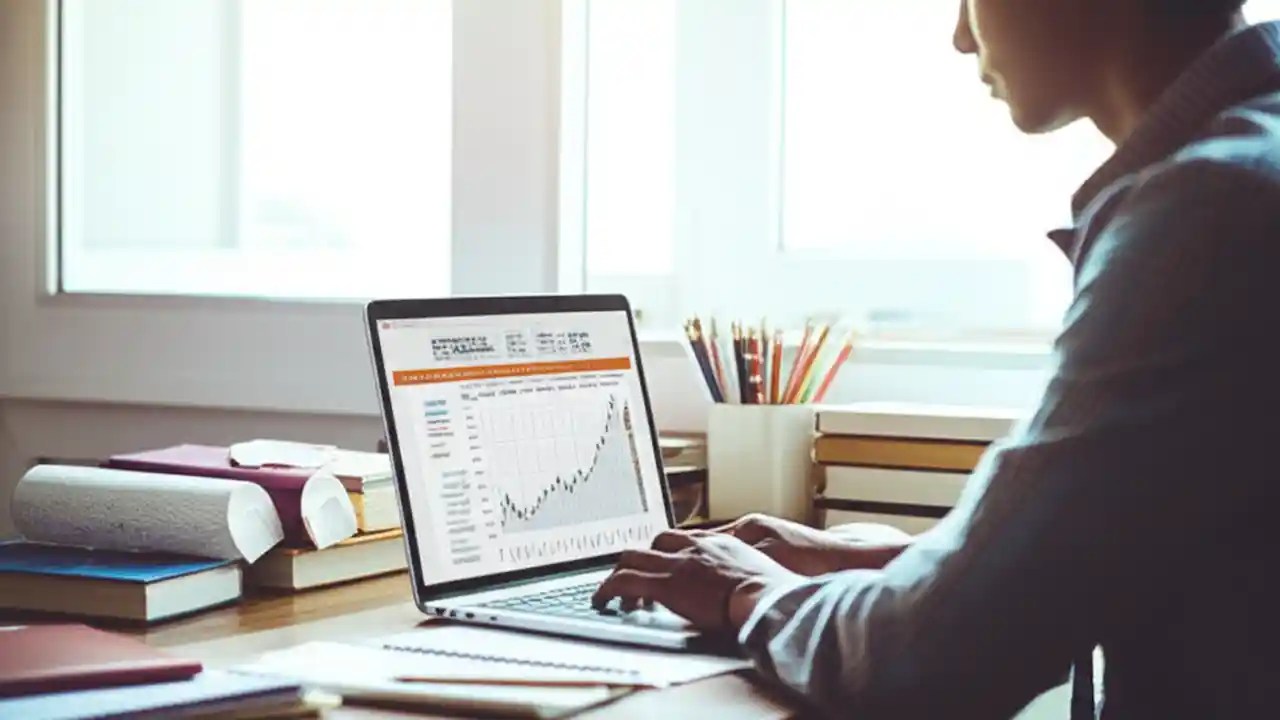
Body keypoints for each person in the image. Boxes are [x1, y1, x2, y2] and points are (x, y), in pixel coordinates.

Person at [593, 0, 1280, 717]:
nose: (959, 36)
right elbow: (1142, 558)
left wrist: (751, 593)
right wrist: (907, 567)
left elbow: (934, 661)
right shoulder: (1250, 160)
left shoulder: (1210, 212)